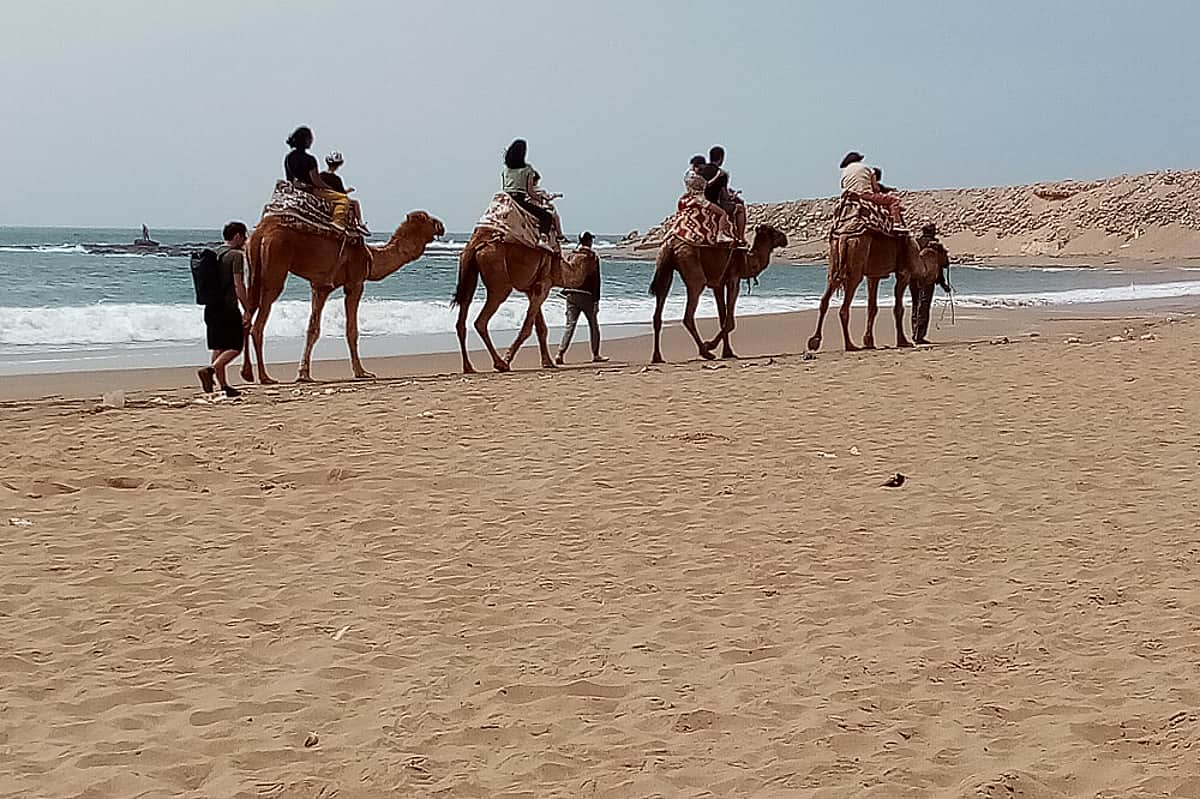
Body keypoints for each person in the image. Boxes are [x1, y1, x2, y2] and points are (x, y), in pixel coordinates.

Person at [197, 221, 249, 397]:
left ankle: (223, 386)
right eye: (244, 236)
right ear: (237, 236)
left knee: (218, 347)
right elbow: (238, 284)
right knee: (235, 346)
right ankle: (211, 370)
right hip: (227, 308)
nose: (245, 240)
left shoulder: (214, 253)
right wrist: (247, 308)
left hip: (210, 307)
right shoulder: (235, 256)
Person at [284, 126, 351, 230]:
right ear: (305, 140)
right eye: (310, 138)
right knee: (343, 199)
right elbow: (316, 181)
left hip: (295, 189)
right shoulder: (310, 159)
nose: (312, 140)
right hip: (311, 190)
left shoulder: (289, 158)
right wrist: (330, 189)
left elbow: (289, 179)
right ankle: (338, 223)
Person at [556, 232, 607, 364]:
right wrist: (597, 301)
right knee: (593, 325)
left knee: (570, 325)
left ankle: (560, 353)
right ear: (589, 241)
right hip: (587, 297)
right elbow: (596, 281)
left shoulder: (571, 255)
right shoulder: (592, 257)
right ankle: (596, 355)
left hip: (571, 294)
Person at [502, 139, 560, 239]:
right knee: (547, 216)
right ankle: (543, 239)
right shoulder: (527, 169)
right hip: (519, 200)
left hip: (505, 200)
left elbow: (504, 187)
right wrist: (540, 200)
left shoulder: (506, 169)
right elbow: (530, 191)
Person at [697, 145, 747, 243]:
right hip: (714, 203)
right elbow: (725, 196)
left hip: (700, 201)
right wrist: (733, 196)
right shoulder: (722, 174)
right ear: (721, 158)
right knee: (740, 208)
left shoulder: (701, 170)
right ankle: (741, 238)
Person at [840, 152, 903, 224]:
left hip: (847, 198)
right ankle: (897, 224)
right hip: (864, 195)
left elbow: (843, 186)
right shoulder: (866, 168)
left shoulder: (844, 172)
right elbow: (876, 188)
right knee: (893, 200)